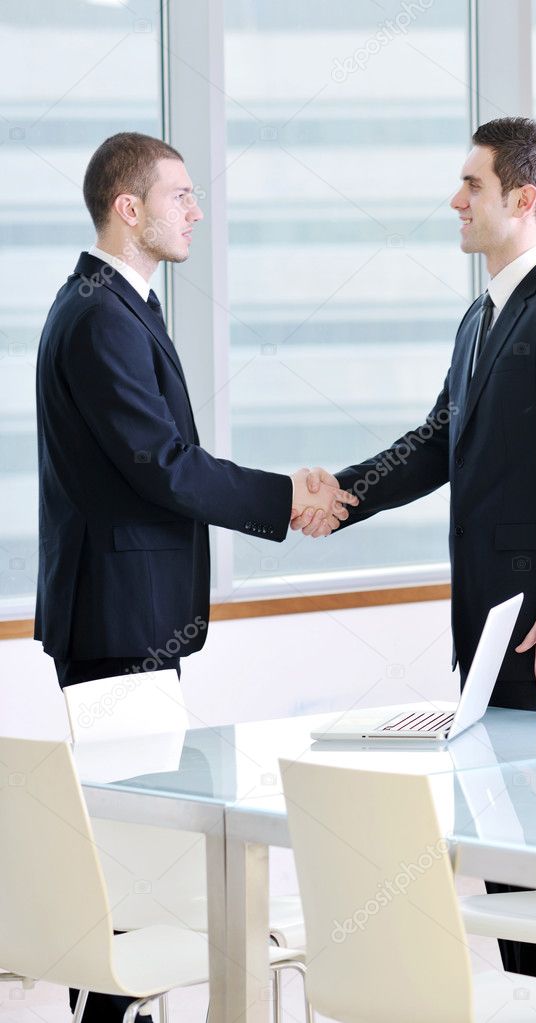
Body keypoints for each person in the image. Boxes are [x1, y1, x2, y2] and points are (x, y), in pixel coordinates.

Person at [294, 117, 536, 978]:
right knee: (506, 851)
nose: (455, 200)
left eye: (471, 185)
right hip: (488, 638)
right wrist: (340, 496)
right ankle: (532, 998)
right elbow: (433, 444)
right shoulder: (481, 319)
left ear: (523, 198)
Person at [34, 131, 357, 1022]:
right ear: (127, 208)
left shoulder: (113, 303)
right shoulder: (100, 315)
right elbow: (164, 464)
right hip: (116, 617)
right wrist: (287, 496)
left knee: (137, 853)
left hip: (124, 613)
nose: (197, 212)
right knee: (137, 862)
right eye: (180, 196)